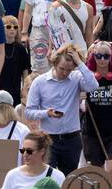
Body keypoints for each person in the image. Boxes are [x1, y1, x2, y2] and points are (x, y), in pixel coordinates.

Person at [24, 43, 98, 174]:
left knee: (69, 181)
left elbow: (93, 86)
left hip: (72, 138)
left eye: (69, 70)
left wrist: (80, 63)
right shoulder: (40, 82)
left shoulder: (76, 77)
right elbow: (29, 112)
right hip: (49, 139)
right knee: (46, 177)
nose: (65, 73)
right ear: (54, 63)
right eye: (61, 68)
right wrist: (47, 113)